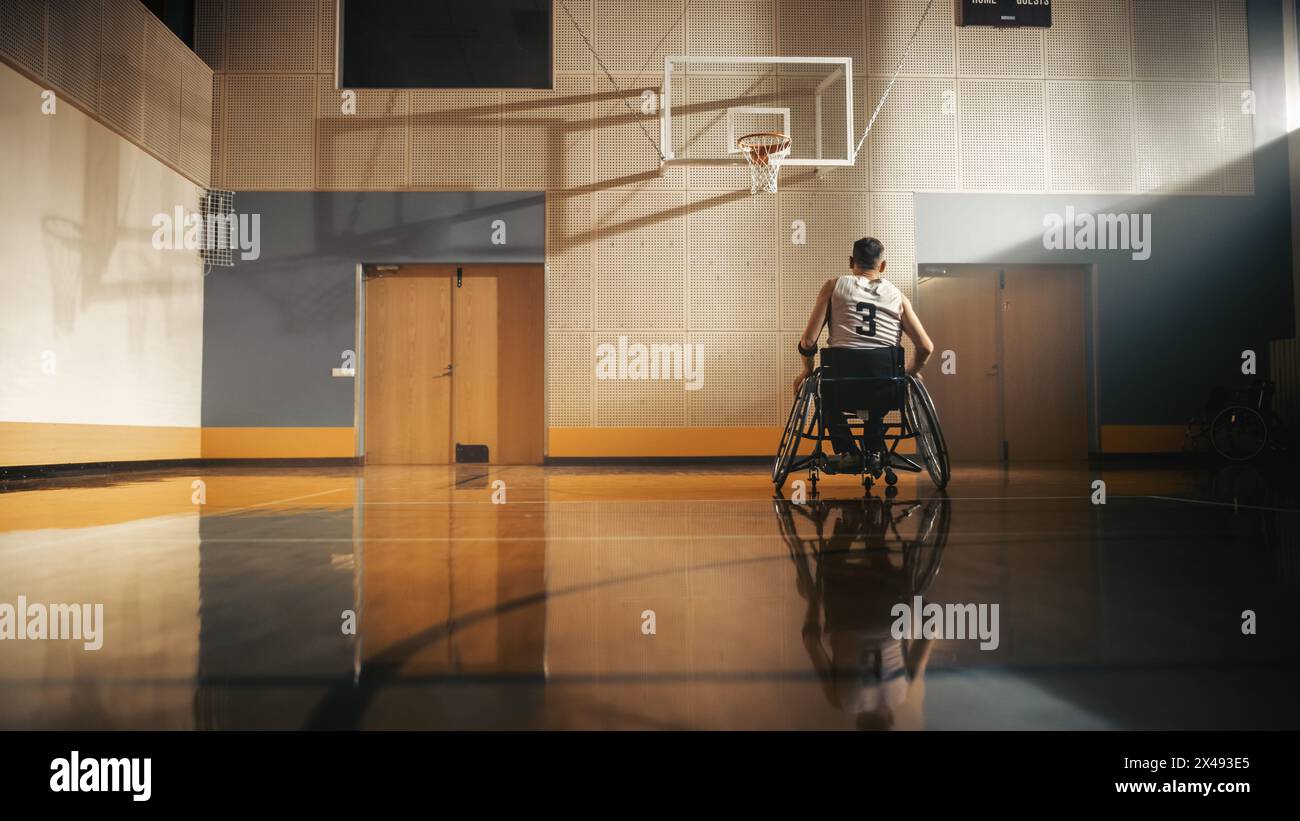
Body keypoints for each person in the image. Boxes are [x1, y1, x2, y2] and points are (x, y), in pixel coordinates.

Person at [794, 237, 934, 473]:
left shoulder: (833, 286)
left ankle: (849, 451)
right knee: (877, 396)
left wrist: (806, 371)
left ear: (851, 261)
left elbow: (808, 341)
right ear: (882, 266)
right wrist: (909, 373)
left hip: (841, 388)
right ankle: (875, 450)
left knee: (825, 391)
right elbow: (926, 347)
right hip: (884, 389)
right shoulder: (898, 297)